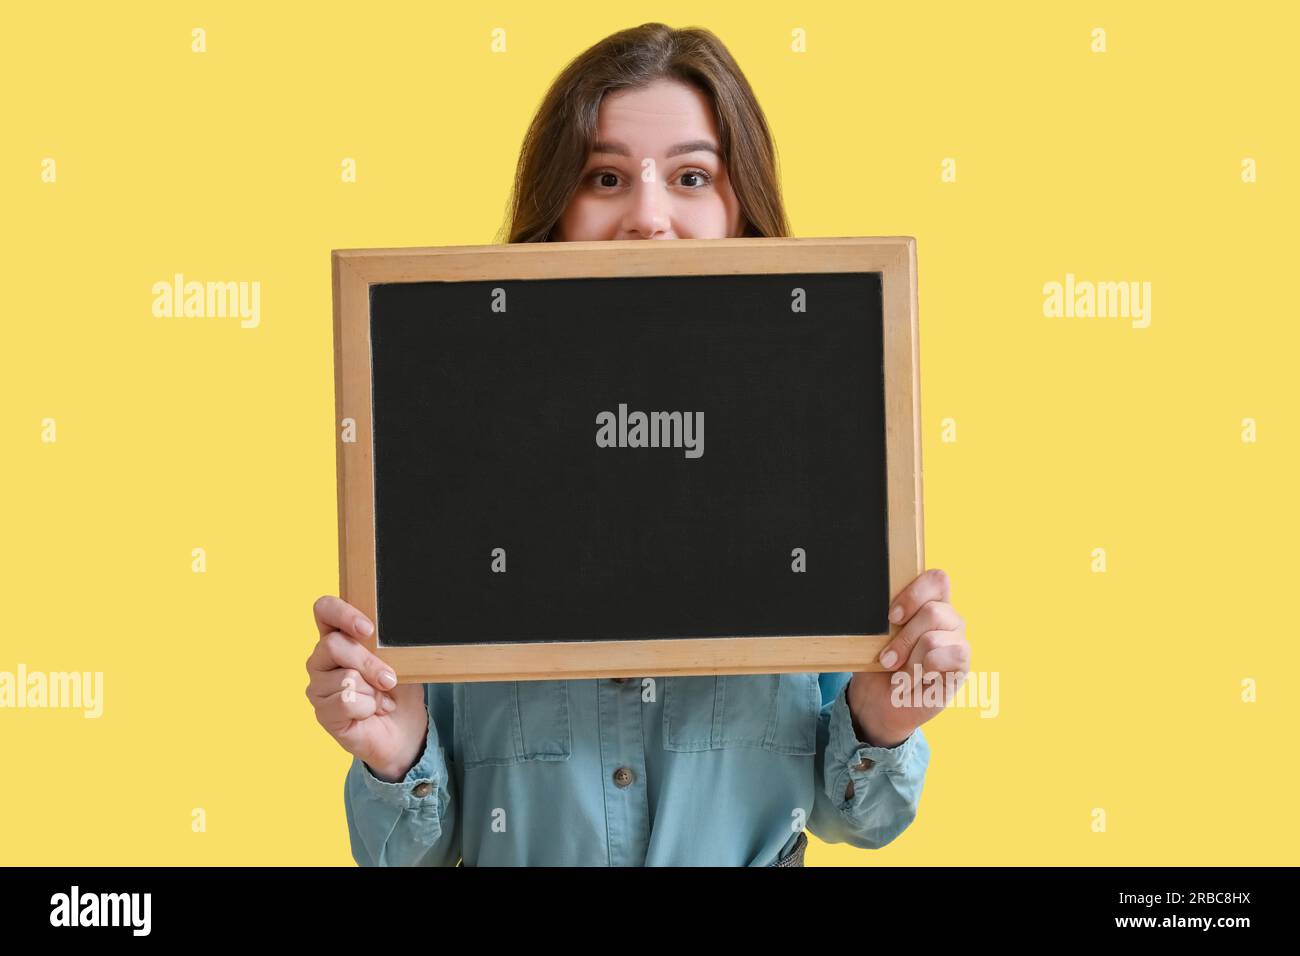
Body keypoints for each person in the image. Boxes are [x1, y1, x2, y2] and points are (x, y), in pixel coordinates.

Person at [305, 22, 970, 866]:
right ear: (555, 215)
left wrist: (883, 715)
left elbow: (862, 821)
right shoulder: (448, 470)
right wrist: (396, 755)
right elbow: (408, 854)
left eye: (692, 175)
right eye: (606, 177)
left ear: (741, 213)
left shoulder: (821, 468)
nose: (648, 217)